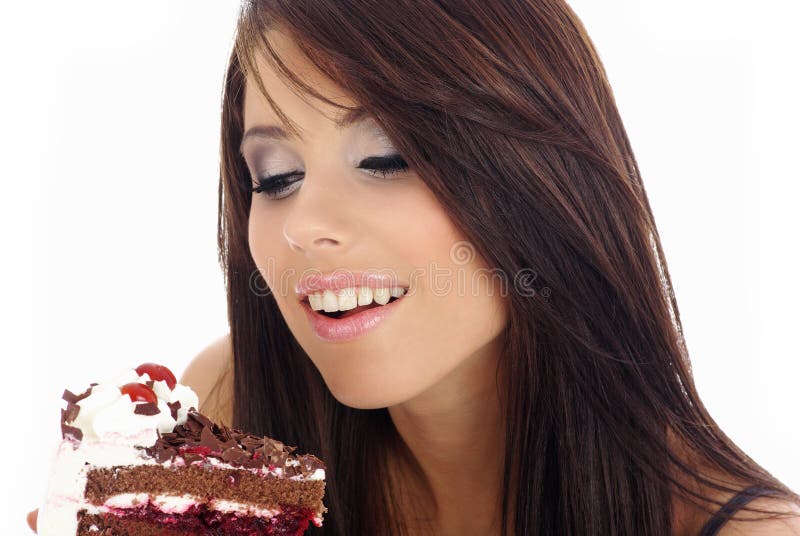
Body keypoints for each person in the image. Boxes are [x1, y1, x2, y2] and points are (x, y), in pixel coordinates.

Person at [28, 1, 800, 534]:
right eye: (276, 177)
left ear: (540, 178)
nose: (305, 227)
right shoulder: (238, 407)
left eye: (385, 157)